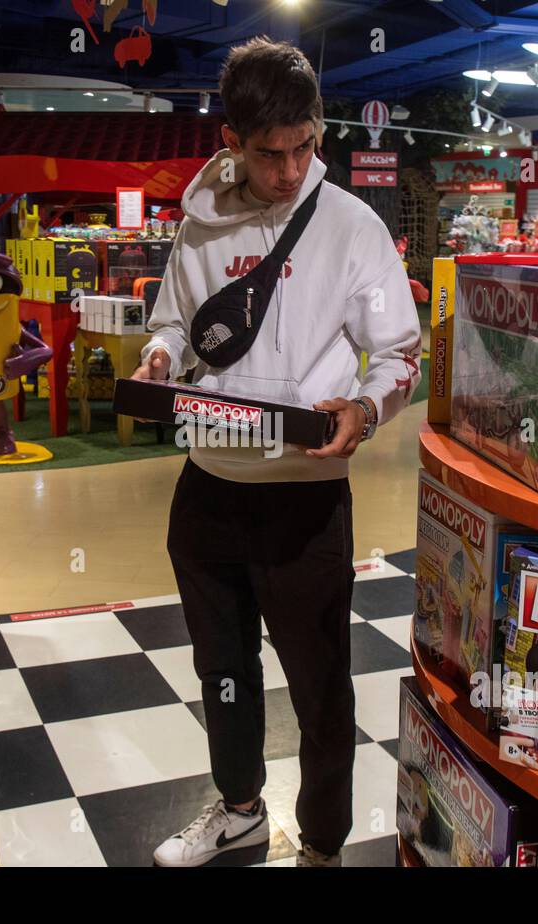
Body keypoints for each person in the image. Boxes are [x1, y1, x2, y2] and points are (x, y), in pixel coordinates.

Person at [135, 37, 421, 867]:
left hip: (306, 497)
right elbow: (173, 322)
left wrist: (367, 406)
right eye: (269, 153)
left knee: (321, 681)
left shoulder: (354, 227)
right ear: (231, 138)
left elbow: (399, 352)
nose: (291, 169)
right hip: (209, 485)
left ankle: (324, 845)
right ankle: (238, 809)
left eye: (305, 147)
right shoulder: (197, 221)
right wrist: (159, 357)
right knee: (222, 669)